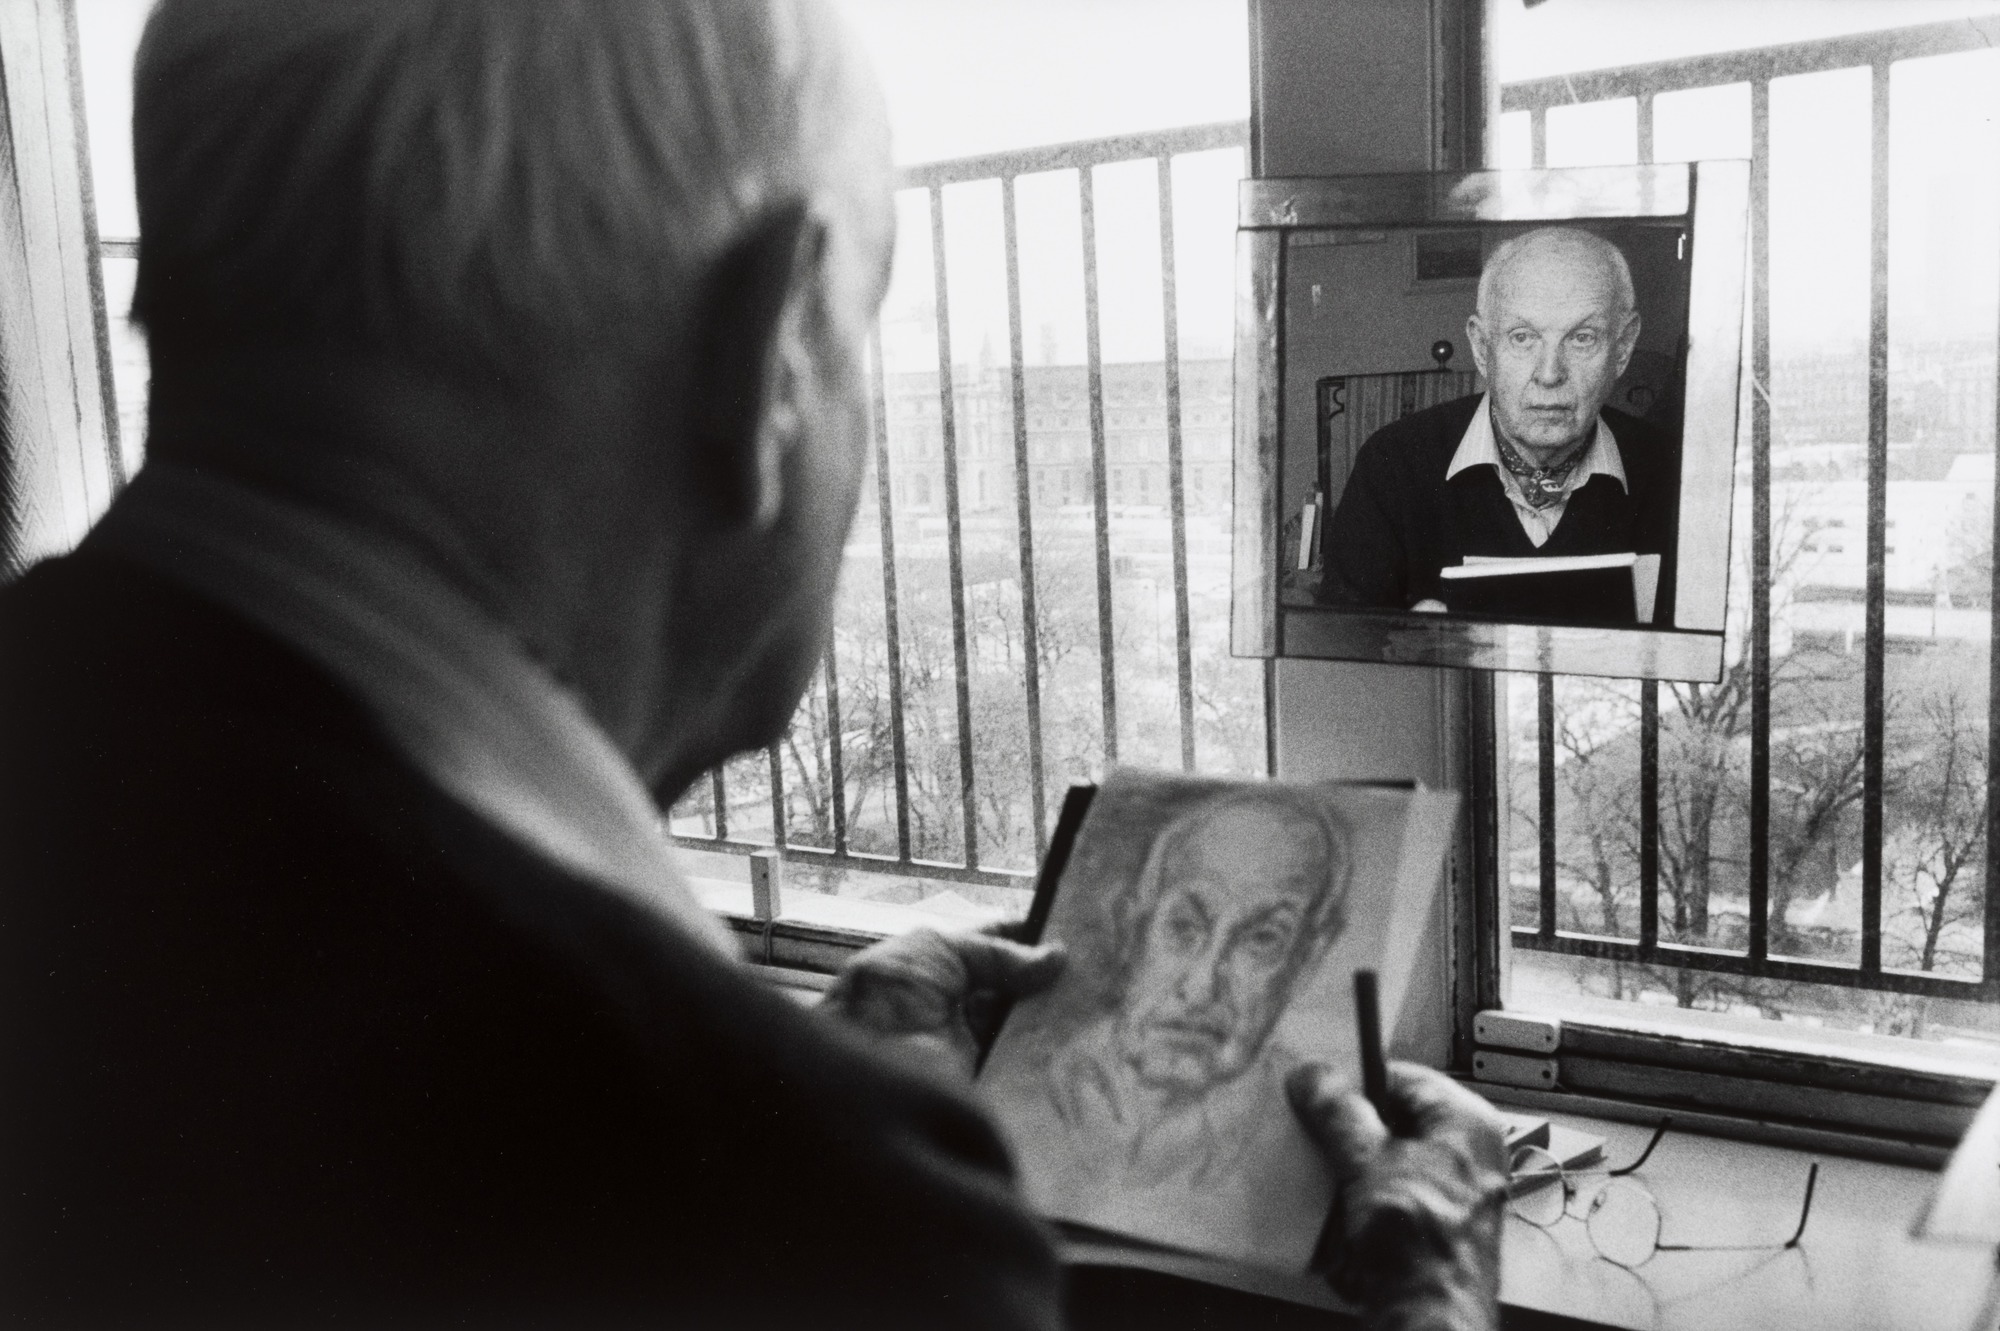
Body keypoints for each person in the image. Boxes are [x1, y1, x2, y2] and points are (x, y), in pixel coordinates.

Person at [0, 2, 1505, 1328]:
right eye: (859, 333)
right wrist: (1431, 1297)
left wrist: (802, 1072)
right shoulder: (799, 1212)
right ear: (769, 349)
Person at [1317, 226, 1681, 623]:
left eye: (1582, 338)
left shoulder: (1674, 471)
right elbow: (1341, 643)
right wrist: (1405, 646)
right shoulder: (1392, 463)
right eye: (1522, 338)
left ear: (1623, 348)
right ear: (1481, 348)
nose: (1549, 374)